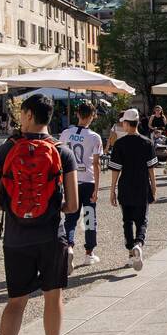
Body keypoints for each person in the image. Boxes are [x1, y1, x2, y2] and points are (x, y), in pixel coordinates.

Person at [0, 93, 80, 335]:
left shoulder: (7, 149)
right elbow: (73, 204)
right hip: (51, 235)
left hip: (16, 238)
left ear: (26, 114)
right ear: (49, 118)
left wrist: (19, 209)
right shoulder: (62, 150)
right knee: (54, 296)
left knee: (15, 303)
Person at [108, 107, 157, 271]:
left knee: (127, 220)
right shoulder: (147, 143)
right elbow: (151, 169)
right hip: (142, 185)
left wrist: (112, 190)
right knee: (142, 219)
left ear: (128, 124)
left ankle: (130, 252)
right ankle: (138, 243)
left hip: (125, 186)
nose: (123, 126)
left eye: (124, 124)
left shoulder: (120, 144)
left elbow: (116, 170)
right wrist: (154, 187)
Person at [59, 100, 103, 268]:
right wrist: (97, 189)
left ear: (77, 114)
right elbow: (96, 164)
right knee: (89, 218)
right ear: (92, 117)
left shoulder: (65, 133)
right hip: (89, 180)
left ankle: (69, 246)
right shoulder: (94, 137)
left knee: (70, 217)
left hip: (71, 180)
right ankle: (89, 252)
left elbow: (60, 158)